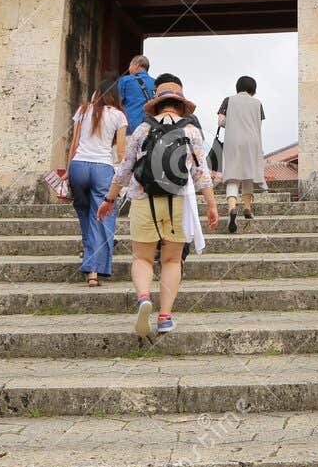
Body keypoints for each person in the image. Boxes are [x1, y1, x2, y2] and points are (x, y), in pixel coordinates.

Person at [98, 78, 218, 337]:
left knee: (142, 258)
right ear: (180, 106)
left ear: (158, 104)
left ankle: (143, 298)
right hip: (177, 202)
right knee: (172, 260)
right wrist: (211, 205)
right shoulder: (192, 132)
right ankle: (165, 317)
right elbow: (201, 173)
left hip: (143, 200)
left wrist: (109, 201)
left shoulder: (141, 129)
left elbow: (124, 170)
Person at [66, 78, 126, 287]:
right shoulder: (119, 116)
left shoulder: (83, 110)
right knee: (102, 217)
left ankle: (88, 251)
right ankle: (94, 270)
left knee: (85, 213)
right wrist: (123, 177)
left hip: (78, 167)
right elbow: (120, 152)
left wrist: (67, 172)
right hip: (102, 168)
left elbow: (74, 145)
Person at [217, 75, 267, 234]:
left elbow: (221, 121)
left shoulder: (228, 100)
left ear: (237, 87)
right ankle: (247, 208)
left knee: (233, 176)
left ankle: (232, 208)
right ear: (253, 89)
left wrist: (233, 124)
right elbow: (259, 123)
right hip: (252, 142)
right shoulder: (258, 103)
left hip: (233, 141)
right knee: (248, 174)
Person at [117, 55, 156, 133]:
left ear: (136, 65)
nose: (129, 69)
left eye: (130, 65)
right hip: (150, 128)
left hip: (129, 127)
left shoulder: (126, 80)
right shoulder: (156, 83)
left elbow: (116, 103)